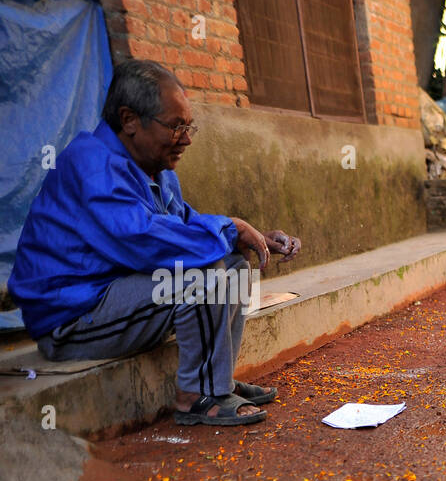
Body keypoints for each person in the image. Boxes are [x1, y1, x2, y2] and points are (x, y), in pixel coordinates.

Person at [9, 59, 301, 426]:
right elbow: (141, 240)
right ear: (130, 120)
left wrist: (251, 235)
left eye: (188, 126)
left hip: (115, 300)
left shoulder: (156, 171)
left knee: (234, 265)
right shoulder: (91, 164)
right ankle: (199, 396)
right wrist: (228, 228)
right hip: (71, 320)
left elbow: (185, 227)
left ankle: (216, 380)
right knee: (202, 273)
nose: (187, 138)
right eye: (176, 126)